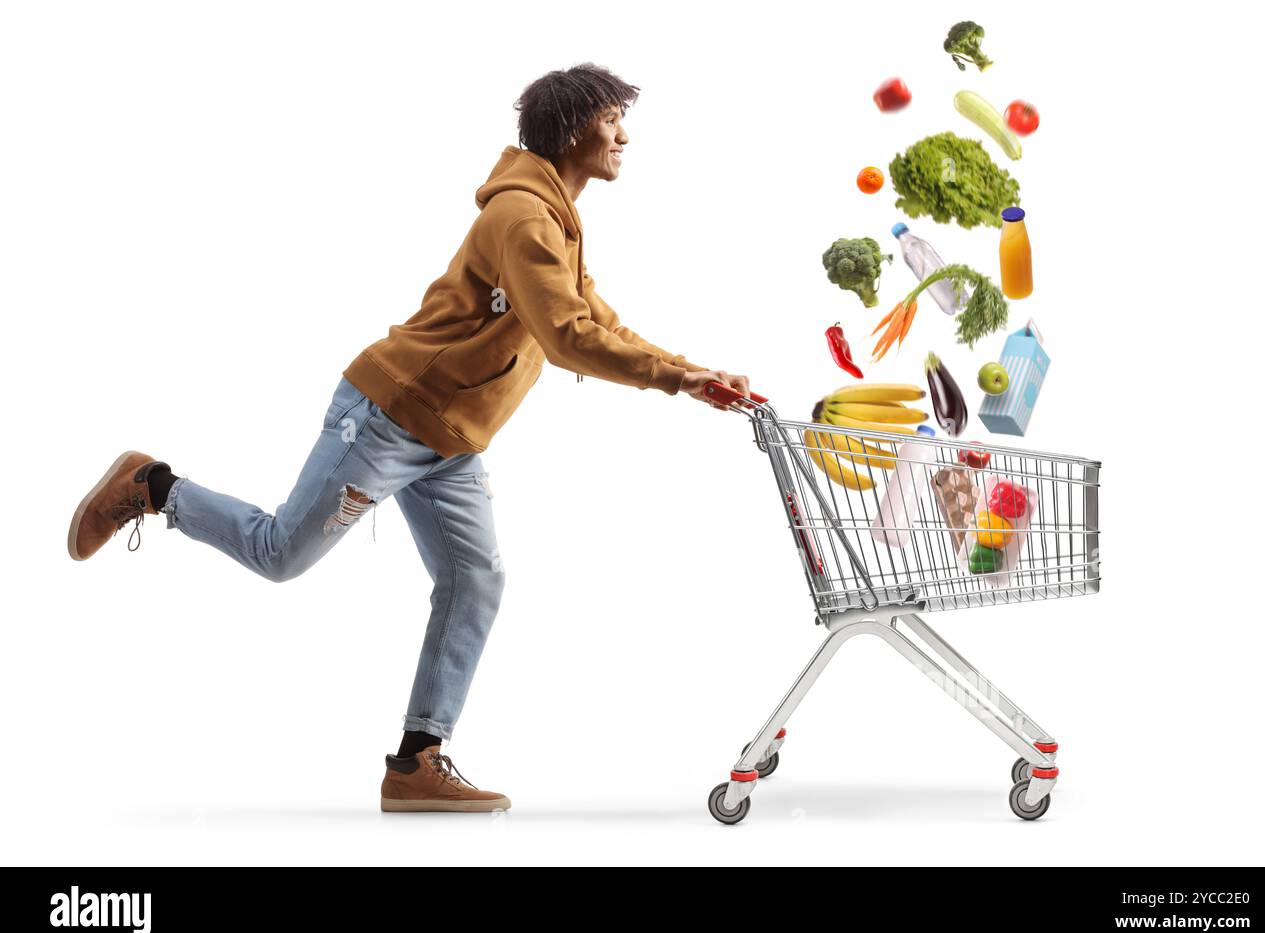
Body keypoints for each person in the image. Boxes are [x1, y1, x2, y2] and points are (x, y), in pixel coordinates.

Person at [66, 63, 751, 812]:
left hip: (450, 437)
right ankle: (153, 487)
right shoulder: (524, 218)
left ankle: (416, 761)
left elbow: (595, 317)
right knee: (279, 555)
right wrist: (676, 381)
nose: (624, 133)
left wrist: (692, 371)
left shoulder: (556, 219)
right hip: (391, 418)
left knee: (475, 580)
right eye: (612, 117)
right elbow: (566, 336)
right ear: (571, 126)